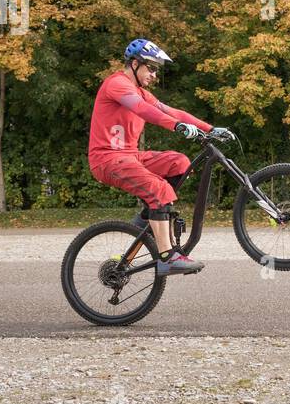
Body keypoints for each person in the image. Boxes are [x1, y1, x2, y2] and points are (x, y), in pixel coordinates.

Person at [87, 38, 233, 275]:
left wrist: (209, 128)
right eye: (151, 68)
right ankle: (167, 256)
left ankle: (149, 215)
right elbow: (145, 111)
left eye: (156, 70)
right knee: (158, 189)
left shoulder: (140, 91)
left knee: (179, 163)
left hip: (130, 156)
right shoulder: (117, 84)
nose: (154, 75)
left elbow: (171, 111)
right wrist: (176, 127)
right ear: (135, 63)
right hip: (107, 159)